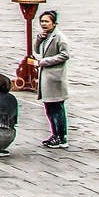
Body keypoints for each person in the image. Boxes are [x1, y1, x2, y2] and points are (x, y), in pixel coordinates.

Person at [30, 10, 70, 148]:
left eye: (47, 21)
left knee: (57, 108)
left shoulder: (59, 37)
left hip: (55, 78)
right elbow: (36, 50)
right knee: (50, 108)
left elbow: (65, 55)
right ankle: (55, 134)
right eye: (42, 21)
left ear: (54, 23)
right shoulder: (46, 36)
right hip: (47, 78)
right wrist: (39, 39)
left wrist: (45, 61)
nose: (44, 24)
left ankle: (61, 136)